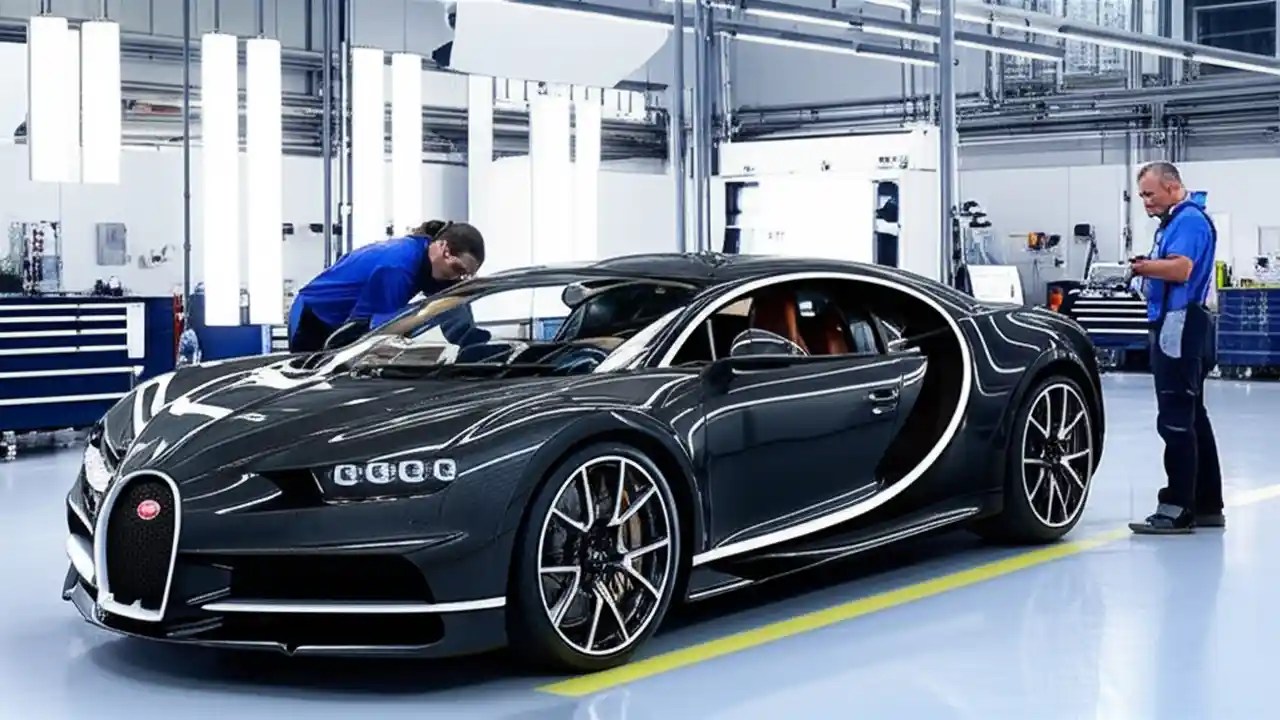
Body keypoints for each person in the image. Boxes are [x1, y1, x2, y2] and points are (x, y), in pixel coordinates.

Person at [1127, 161, 1224, 534]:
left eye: (1150, 194)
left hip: (1179, 327)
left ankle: (1177, 506)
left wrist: (1141, 269)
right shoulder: (1174, 221)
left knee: (1175, 419)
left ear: (1172, 187)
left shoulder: (1188, 221)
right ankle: (1206, 503)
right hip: (1179, 325)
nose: (1146, 202)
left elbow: (1181, 269)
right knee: (1193, 415)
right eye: (1141, 196)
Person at [287, 220, 485, 352]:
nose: (457, 277)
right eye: (458, 269)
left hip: (342, 321)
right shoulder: (398, 267)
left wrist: (475, 346)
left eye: (465, 275)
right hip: (313, 319)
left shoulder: (429, 259)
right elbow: (371, 330)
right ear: (444, 248)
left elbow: (449, 303)